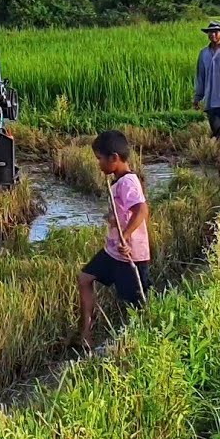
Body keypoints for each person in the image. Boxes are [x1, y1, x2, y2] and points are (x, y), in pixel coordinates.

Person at [77, 130, 151, 350]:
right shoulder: (118, 181)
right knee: (84, 278)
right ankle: (86, 333)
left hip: (130, 255)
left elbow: (141, 210)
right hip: (112, 252)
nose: (98, 164)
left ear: (114, 158)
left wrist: (125, 236)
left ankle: (138, 346)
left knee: (135, 308)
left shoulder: (128, 182)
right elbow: (125, 212)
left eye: (99, 159)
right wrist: (112, 218)